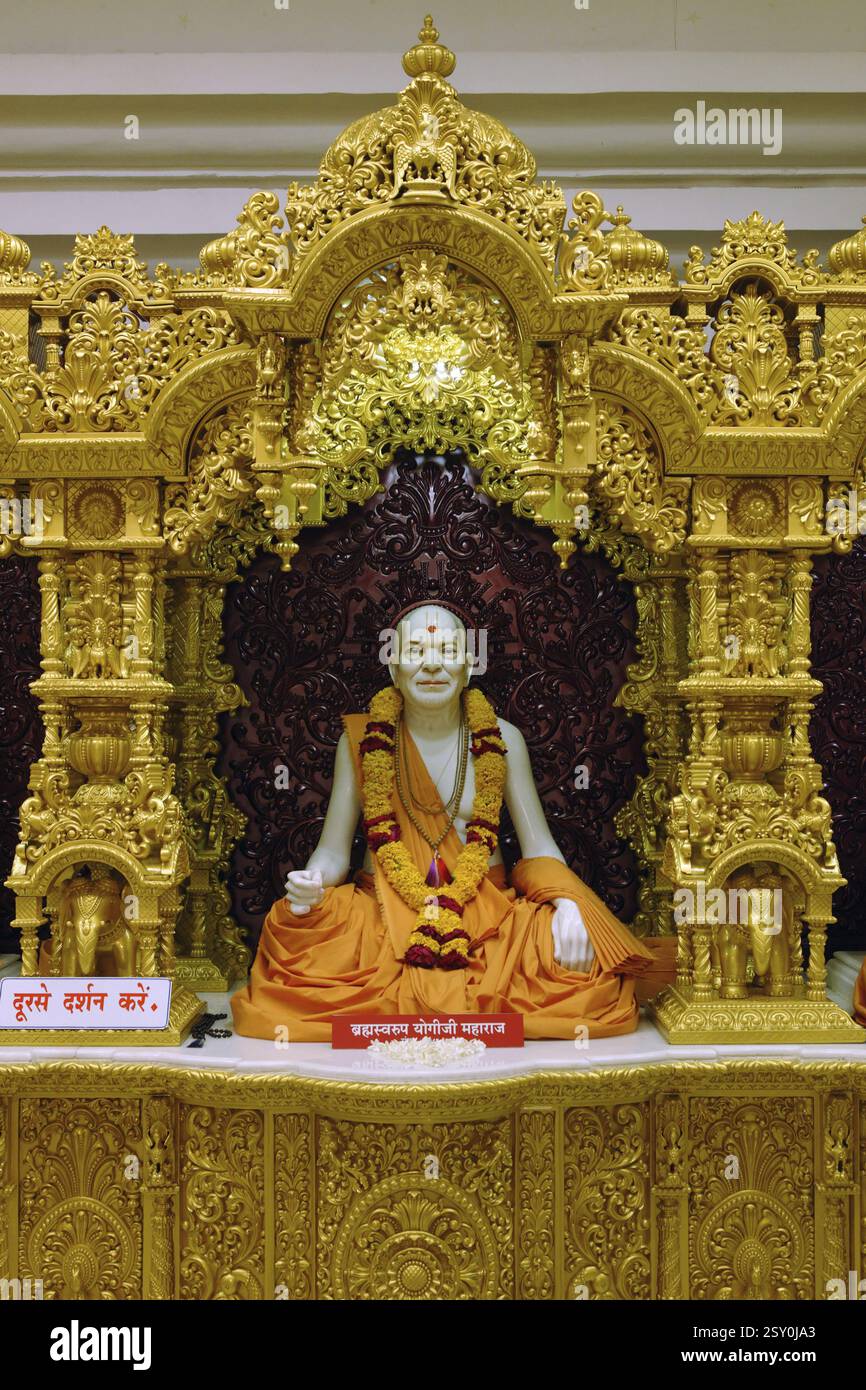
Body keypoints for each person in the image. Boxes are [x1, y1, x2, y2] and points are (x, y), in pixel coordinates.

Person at [231, 602, 675, 1041]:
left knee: (576, 965)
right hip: (383, 907)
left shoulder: (503, 738)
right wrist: (311, 883)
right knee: (293, 931)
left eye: (447, 651)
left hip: (486, 909)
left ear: (468, 667)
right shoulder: (365, 740)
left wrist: (567, 905)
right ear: (393, 668)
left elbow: (537, 845)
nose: (432, 665)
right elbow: (332, 852)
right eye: (416, 651)